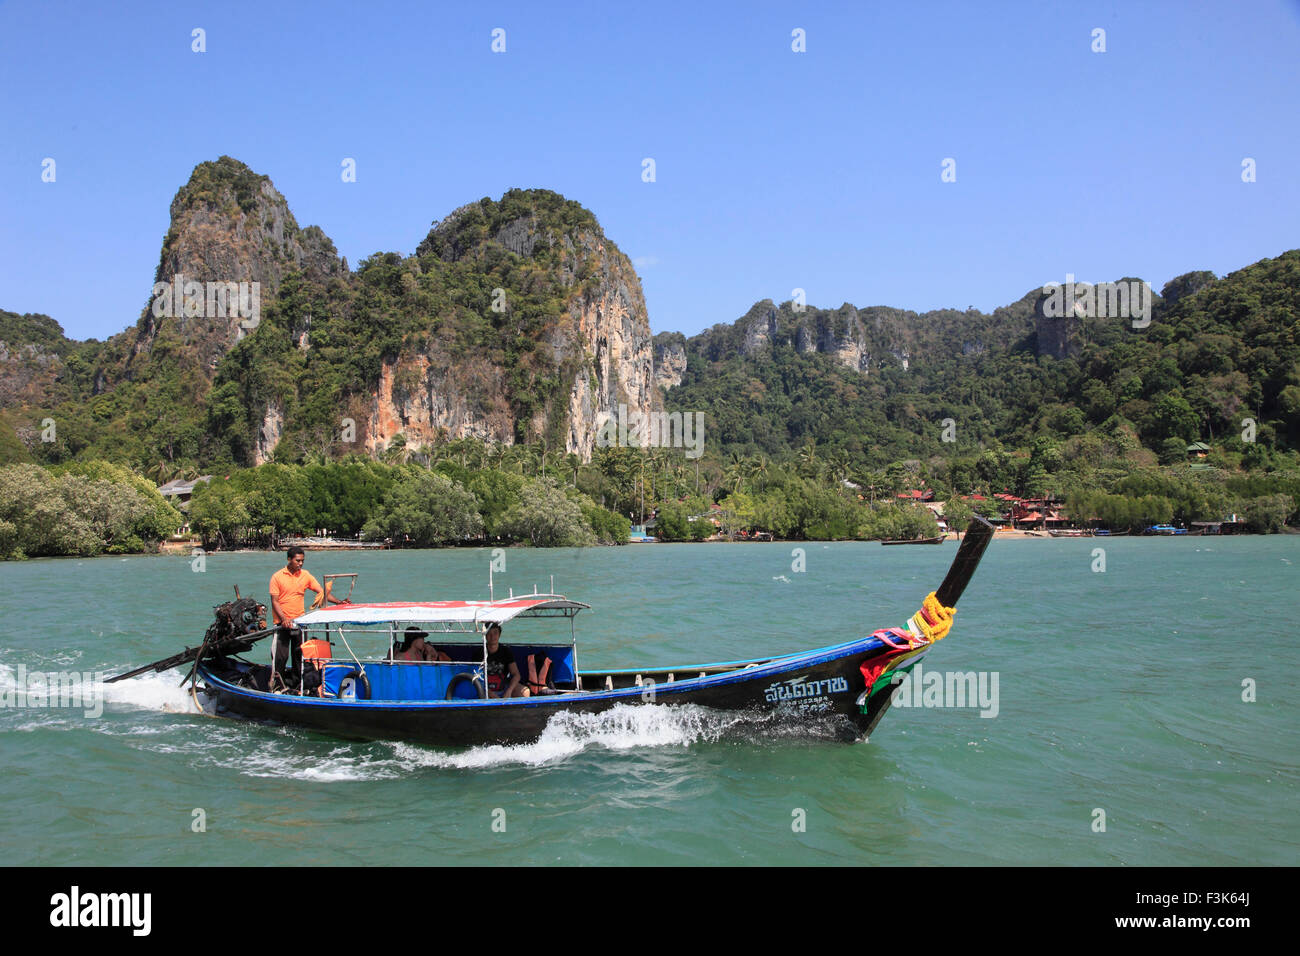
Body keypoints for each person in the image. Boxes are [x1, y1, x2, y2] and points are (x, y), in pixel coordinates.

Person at [268, 547, 342, 680]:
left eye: (302, 561)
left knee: (299, 656)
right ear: (289, 559)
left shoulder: (305, 575)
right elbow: (275, 601)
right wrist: (284, 619)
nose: (300, 564)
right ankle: (277, 684)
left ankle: (297, 685)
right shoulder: (277, 577)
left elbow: (322, 593)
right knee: (281, 657)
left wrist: (339, 602)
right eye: (298, 561)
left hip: (299, 622)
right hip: (282, 623)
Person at [483, 623, 525, 698]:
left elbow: (516, 674)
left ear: (499, 634)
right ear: (485, 635)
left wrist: (509, 691)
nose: (492, 636)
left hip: (503, 686)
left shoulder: (506, 651)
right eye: (489, 633)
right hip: (486, 689)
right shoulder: (479, 653)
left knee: (524, 692)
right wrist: (490, 694)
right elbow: (476, 678)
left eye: (495, 633)